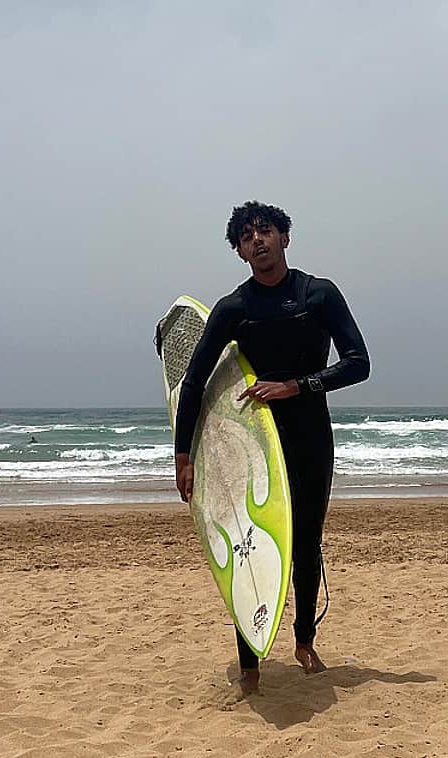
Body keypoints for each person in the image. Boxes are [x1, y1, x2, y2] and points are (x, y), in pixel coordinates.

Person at [173, 200, 371, 695]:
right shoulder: (234, 309)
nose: (256, 239)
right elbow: (194, 382)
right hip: (250, 443)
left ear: (285, 237)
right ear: (240, 252)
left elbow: (357, 362)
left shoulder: (318, 295)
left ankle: (304, 640)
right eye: (245, 236)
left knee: (306, 542)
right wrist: (184, 456)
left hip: (307, 436)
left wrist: (295, 385)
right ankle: (250, 666)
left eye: (265, 230)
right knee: (248, 546)